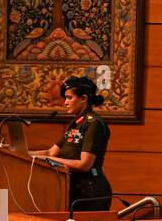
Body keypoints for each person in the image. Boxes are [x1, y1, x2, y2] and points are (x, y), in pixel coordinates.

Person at [31, 75, 114, 212]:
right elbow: (51, 152)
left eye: (69, 98)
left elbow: (84, 164)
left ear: (83, 99)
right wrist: (21, 152)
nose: (65, 102)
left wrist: (48, 160)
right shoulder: (76, 123)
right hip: (74, 189)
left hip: (90, 192)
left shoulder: (93, 124)